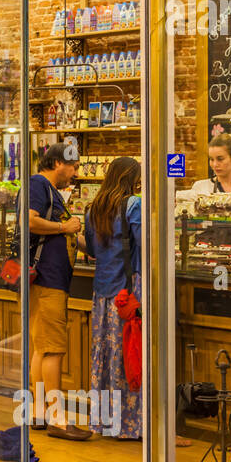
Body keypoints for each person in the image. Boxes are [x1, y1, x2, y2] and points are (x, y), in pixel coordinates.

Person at [27, 143, 89, 440]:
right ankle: (58, 418)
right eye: (73, 167)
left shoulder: (45, 188)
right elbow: (30, 220)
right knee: (53, 348)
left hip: (46, 278)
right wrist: (66, 229)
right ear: (55, 163)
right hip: (48, 278)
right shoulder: (39, 184)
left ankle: (38, 412)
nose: (75, 173)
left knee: (42, 347)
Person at [84, 156, 142, 439]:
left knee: (104, 353)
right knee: (129, 352)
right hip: (128, 288)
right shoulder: (133, 205)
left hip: (101, 291)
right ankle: (130, 425)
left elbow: (93, 249)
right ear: (133, 178)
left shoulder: (93, 208)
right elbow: (146, 245)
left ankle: (105, 421)